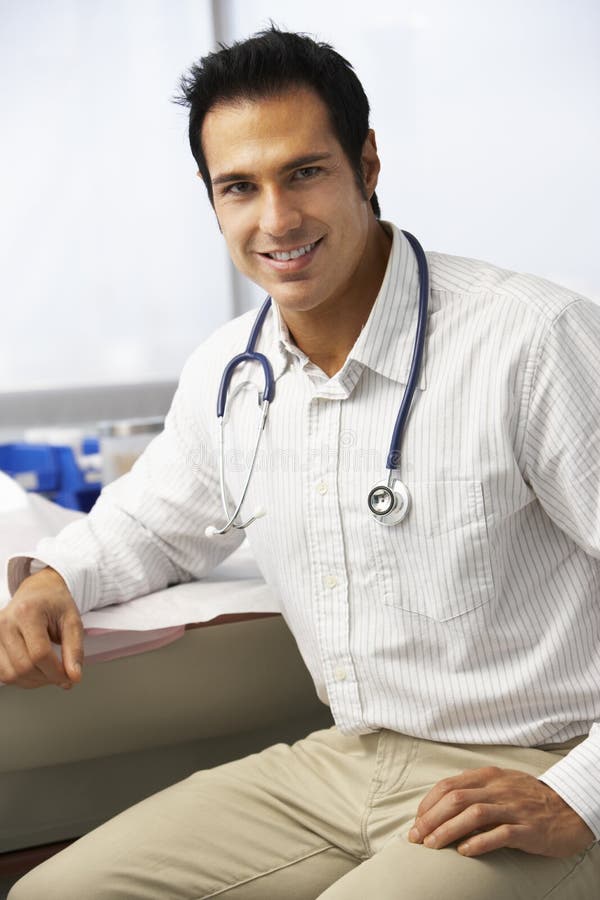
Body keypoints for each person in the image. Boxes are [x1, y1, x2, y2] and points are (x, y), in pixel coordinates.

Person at [3, 26, 600, 900]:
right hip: (350, 757)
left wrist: (579, 795)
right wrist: (56, 576)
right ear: (213, 202)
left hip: (544, 759)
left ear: (367, 164)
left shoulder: (532, 340)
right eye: (240, 187)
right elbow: (156, 519)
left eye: (305, 173)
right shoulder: (230, 370)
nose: (275, 219)